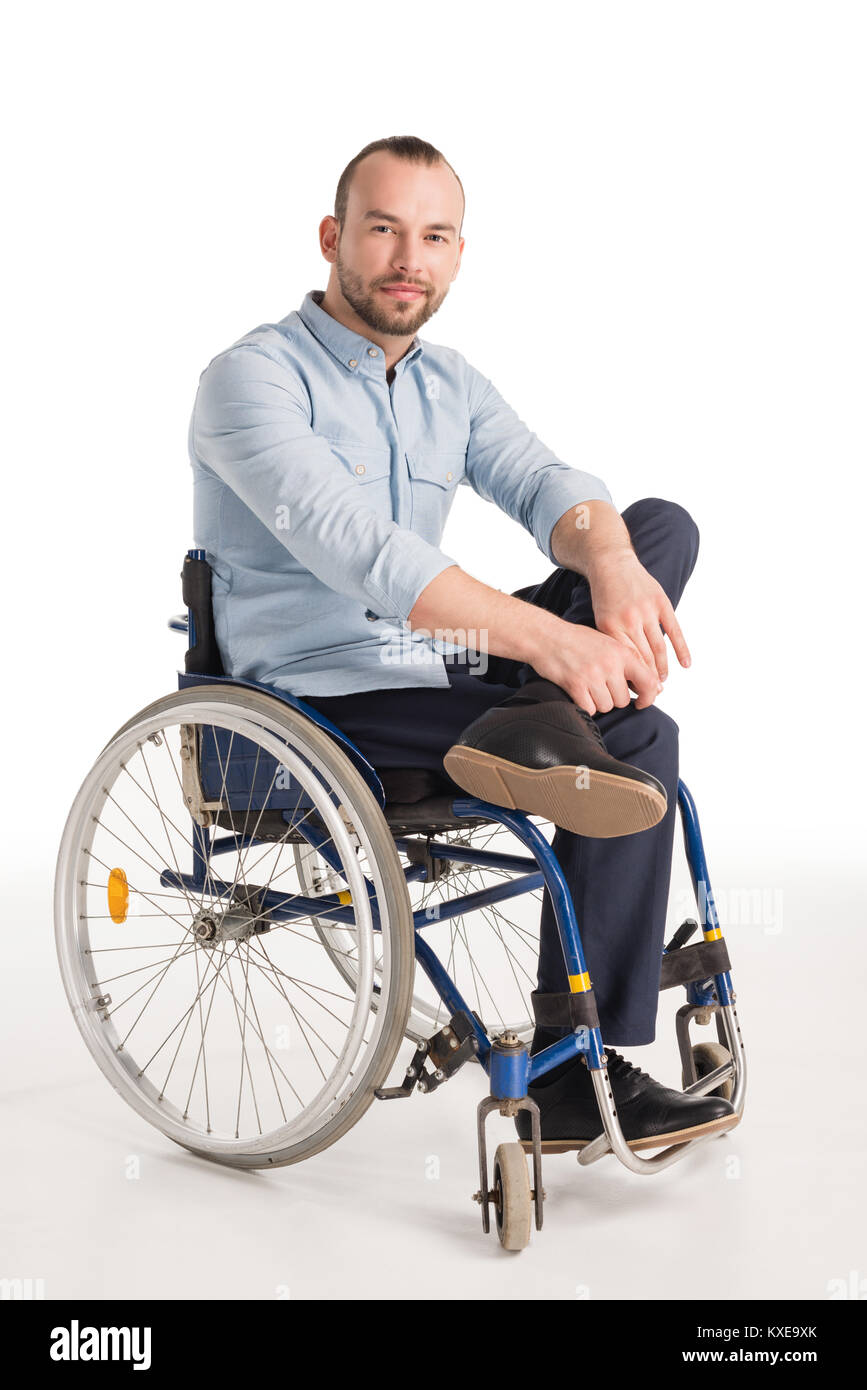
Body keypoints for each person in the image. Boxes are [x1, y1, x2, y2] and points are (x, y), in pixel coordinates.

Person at [189, 134, 738, 1151]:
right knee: (640, 739)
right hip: (318, 694)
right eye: (385, 228)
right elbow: (368, 556)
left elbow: (544, 485)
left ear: (456, 254)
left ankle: (544, 717)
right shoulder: (251, 380)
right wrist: (551, 643)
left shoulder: (450, 383)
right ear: (332, 238)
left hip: (438, 660)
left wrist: (610, 562)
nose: (409, 255)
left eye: (433, 235)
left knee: (657, 528)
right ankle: (575, 1072)